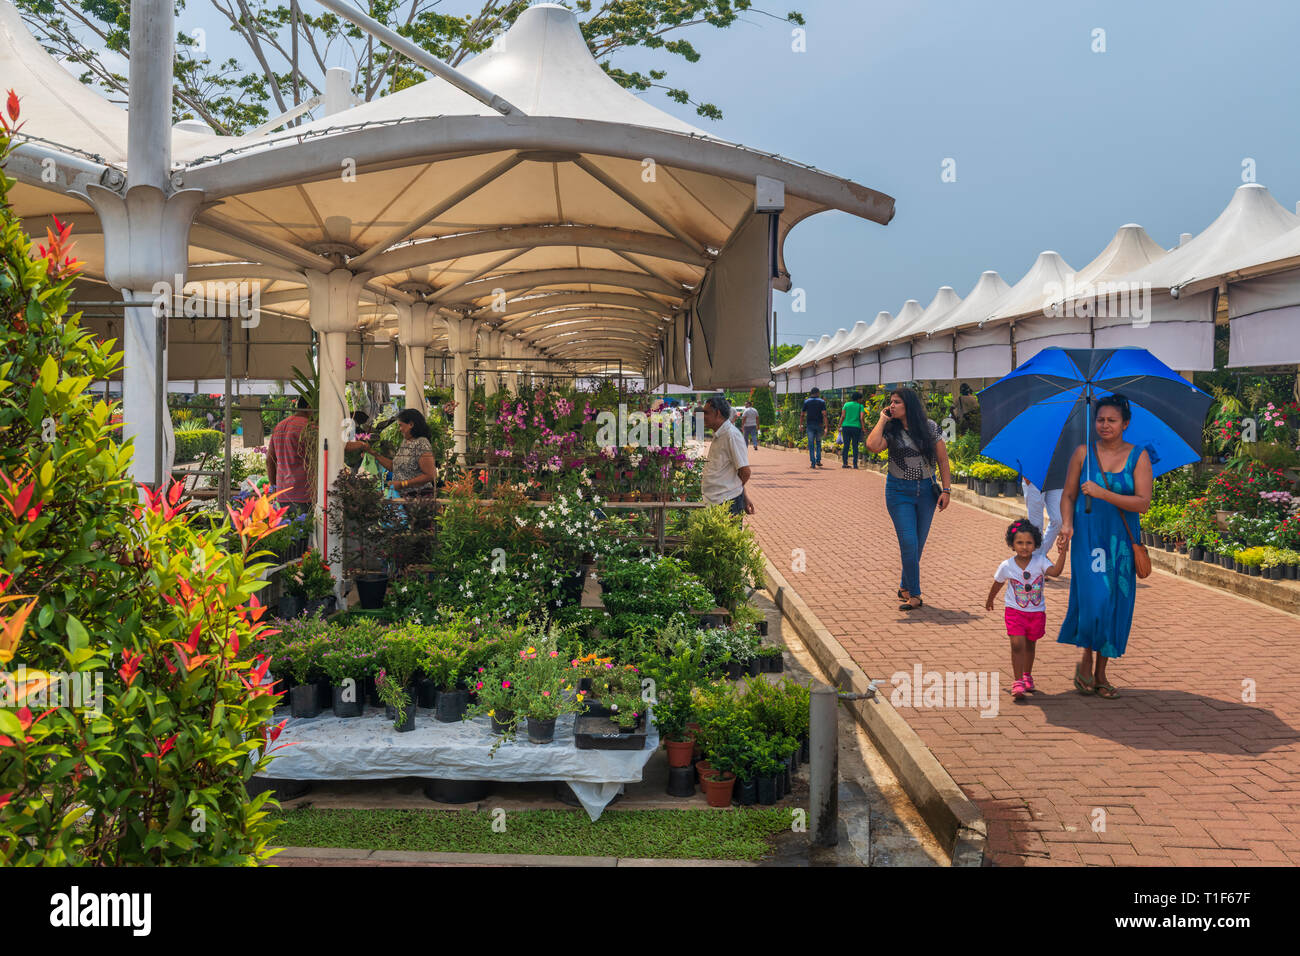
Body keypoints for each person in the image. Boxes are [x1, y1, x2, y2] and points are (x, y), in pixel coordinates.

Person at [1056, 394, 1152, 700]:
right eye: (1100, 420)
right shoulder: (1083, 453)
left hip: (1122, 541)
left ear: (1125, 423)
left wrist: (1102, 493)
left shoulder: (1139, 457)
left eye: (1112, 420)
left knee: (1114, 604)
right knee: (1093, 599)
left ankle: (1101, 673)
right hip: (1088, 537)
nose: (1105, 425)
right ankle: (1085, 659)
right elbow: (1068, 495)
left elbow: (1143, 503)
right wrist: (1067, 524)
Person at [865, 387, 953, 611]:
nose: (892, 405)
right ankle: (914, 594)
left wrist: (947, 490)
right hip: (898, 491)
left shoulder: (930, 427)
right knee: (908, 542)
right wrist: (882, 419)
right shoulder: (891, 430)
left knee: (917, 545)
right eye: (891, 402)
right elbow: (873, 446)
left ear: (908, 405)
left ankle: (905, 585)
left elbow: (943, 461)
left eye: (897, 402)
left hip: (926, 492)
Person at [986, 519, 1068, 701]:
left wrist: (1062, 553)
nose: (1024, 547)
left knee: (1030, 644)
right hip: (1015, 611)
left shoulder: (1040, 561)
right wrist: (990, 599)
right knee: (1017, 644)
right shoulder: (1007, 565)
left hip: (1036, 612)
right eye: (1020, 543)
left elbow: (1055, 572)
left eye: (1029, 543)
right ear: (1012, 544)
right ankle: (1017, 682)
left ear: (1036, 544)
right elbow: (998, 583)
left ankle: (1026, 676)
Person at [360, 408, 438, 496]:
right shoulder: (405, 442)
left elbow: (430, 475)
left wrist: (402, 484)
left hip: (419, 498)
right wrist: (373, 453)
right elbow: (394, 467)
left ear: (411, 424)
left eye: (401, 425)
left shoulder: (421, 443)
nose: (399, 429)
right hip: (404, 497)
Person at [700, 394, 754, 516]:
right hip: (717, 501)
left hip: (727, 503)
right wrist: (743, 494)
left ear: (717, 413)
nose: (703, 417)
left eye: (706, 413)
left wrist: (737, 492)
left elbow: (745, 471)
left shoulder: (731, 435)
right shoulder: (720, 433)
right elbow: (734, 473)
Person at [266, 396, 313, 517]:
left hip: (283, 494)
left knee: (289, 533)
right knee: (305, 533)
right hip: (304, 494)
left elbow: (270, 460)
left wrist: (274, 488)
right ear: (309, 407)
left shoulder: (279, 426)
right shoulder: (309, 428)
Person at [1022, 476, 1064, 559]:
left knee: (1058, 520)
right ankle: (1037, 559)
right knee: (1035, 525)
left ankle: (1040, 555)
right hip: (1035, 474)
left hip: (1056, 474)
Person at [800, 387, 827, 468]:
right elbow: (824, 414)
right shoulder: (822, 402)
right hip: (819, 424)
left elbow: (802, 414)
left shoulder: (806, 402)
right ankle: (818, 460)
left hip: (810, 425)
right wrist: (826, 426)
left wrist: (801, 425)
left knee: (811, 444)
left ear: (811, 393)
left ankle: (813, 462)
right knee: (818, 443)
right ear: (817, 393)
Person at [839, 391, 865, 468]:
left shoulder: (846, 405)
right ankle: (855, 464)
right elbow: (861, 418)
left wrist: (839, 425)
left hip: (846, 427)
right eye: (861, 398)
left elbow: (842, 416)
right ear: (858, 399)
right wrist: (863, 428)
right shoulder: (860, 406)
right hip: (856, 427)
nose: (861, 400)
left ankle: (845, 463)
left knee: (846, 445)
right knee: (855, 446)